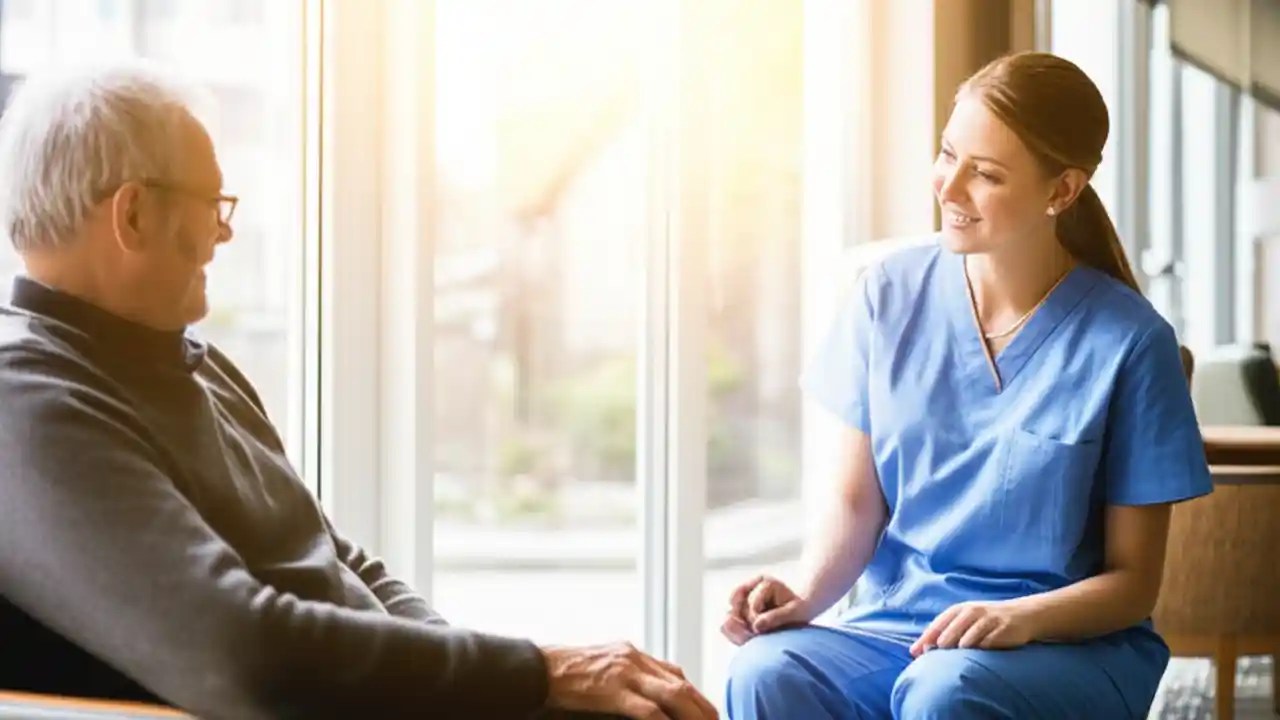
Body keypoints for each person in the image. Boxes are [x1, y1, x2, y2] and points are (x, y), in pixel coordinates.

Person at [0, 64, 717, 720]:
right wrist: (533, 674)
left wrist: (503, 690)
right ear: (132, 215)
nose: (223, 234)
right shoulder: (29, 403)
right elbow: (238, 652)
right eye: (213, 204)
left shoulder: (192, 363)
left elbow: (337, 559)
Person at [720, 51, 1212, 719]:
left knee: (946, 691)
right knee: (766, 670)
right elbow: (856, 503)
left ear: (1061, 191)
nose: (949, 188)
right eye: (948, 154)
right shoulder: (887, 295)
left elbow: (1132, 585)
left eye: (984, 174)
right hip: (900, 632)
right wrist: (803, 592)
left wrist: (1023, 619)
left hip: (1064, 645)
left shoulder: (1130, 343)